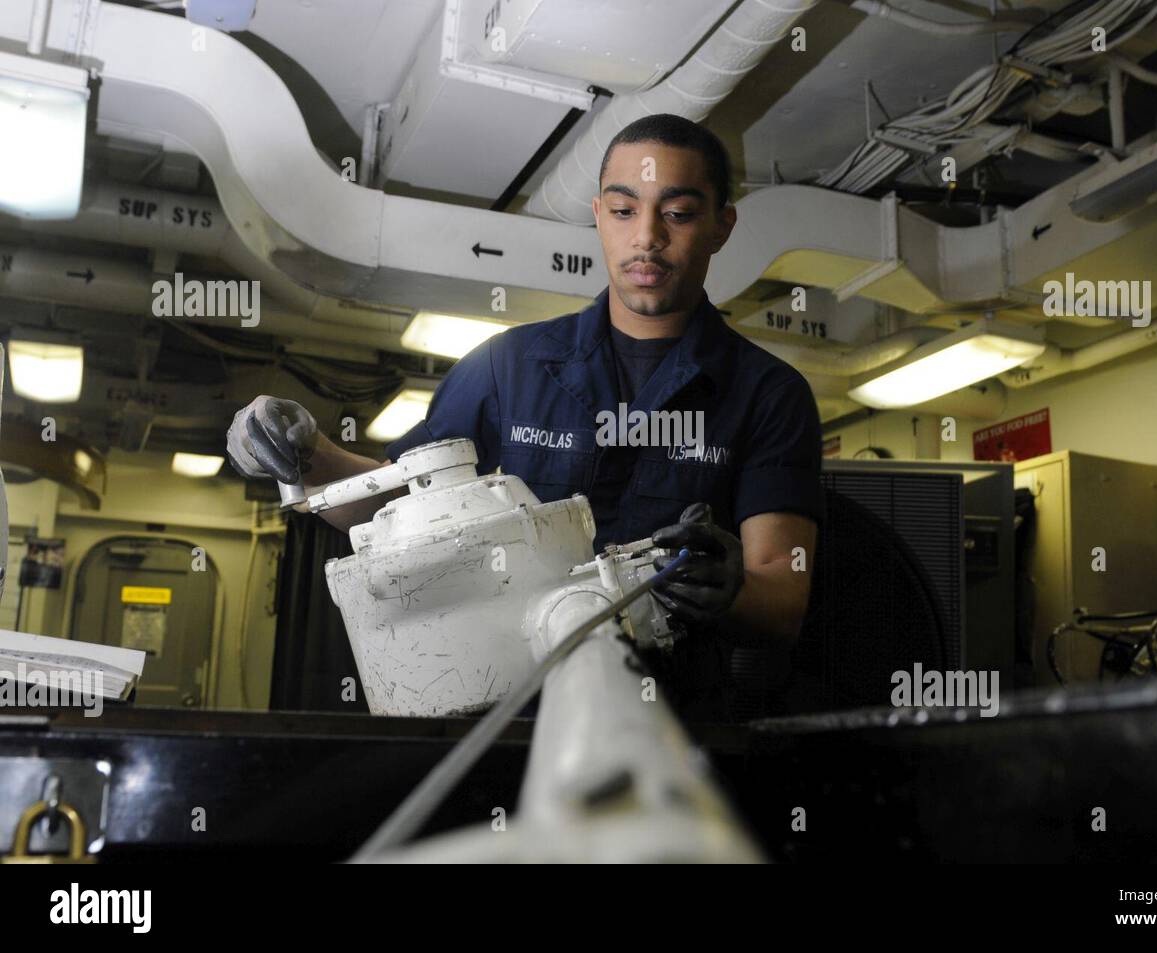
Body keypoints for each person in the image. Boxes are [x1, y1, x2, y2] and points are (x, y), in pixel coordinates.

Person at [227, 114, 823, 719]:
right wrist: (306, 454)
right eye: (623, 210)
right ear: (598, 215)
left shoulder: (769, 395)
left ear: (722, 226)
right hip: (504, 717)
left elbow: (784, 599)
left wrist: (731, 586)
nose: (647, 237)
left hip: (673, 724)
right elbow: (391, 510)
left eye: (679, 213)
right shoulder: (506, 366)